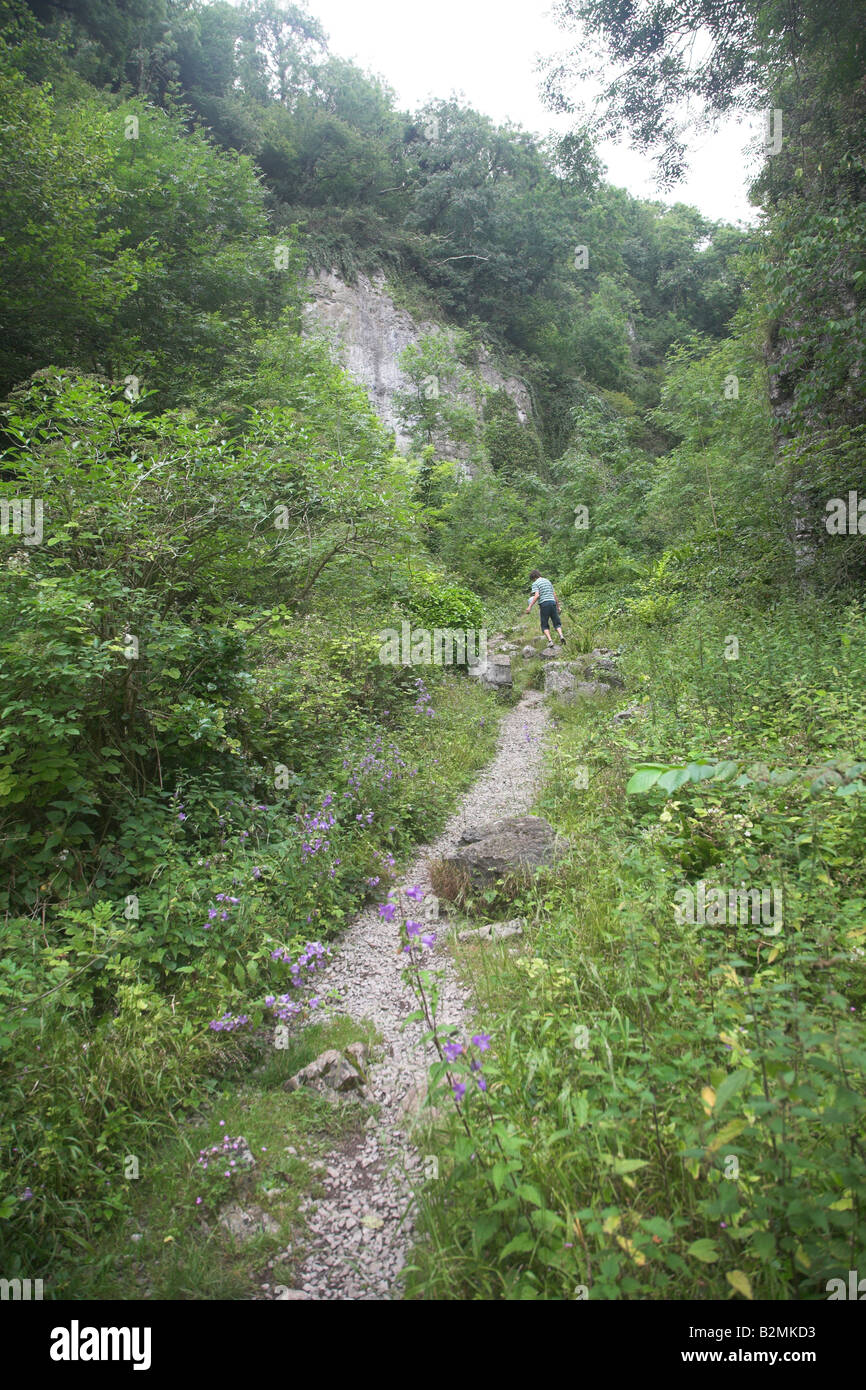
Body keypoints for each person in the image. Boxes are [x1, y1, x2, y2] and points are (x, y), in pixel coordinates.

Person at [526, 569, 565, 646]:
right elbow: (554, 595)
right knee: (556, 622)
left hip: (544, 604)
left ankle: (550, 641)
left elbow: (537, 595)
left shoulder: (535, 583)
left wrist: (529, 607)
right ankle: (561, 635)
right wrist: (558, 607)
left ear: (533, 578)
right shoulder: (548, 581)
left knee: (544, 624)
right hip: (552, 602)